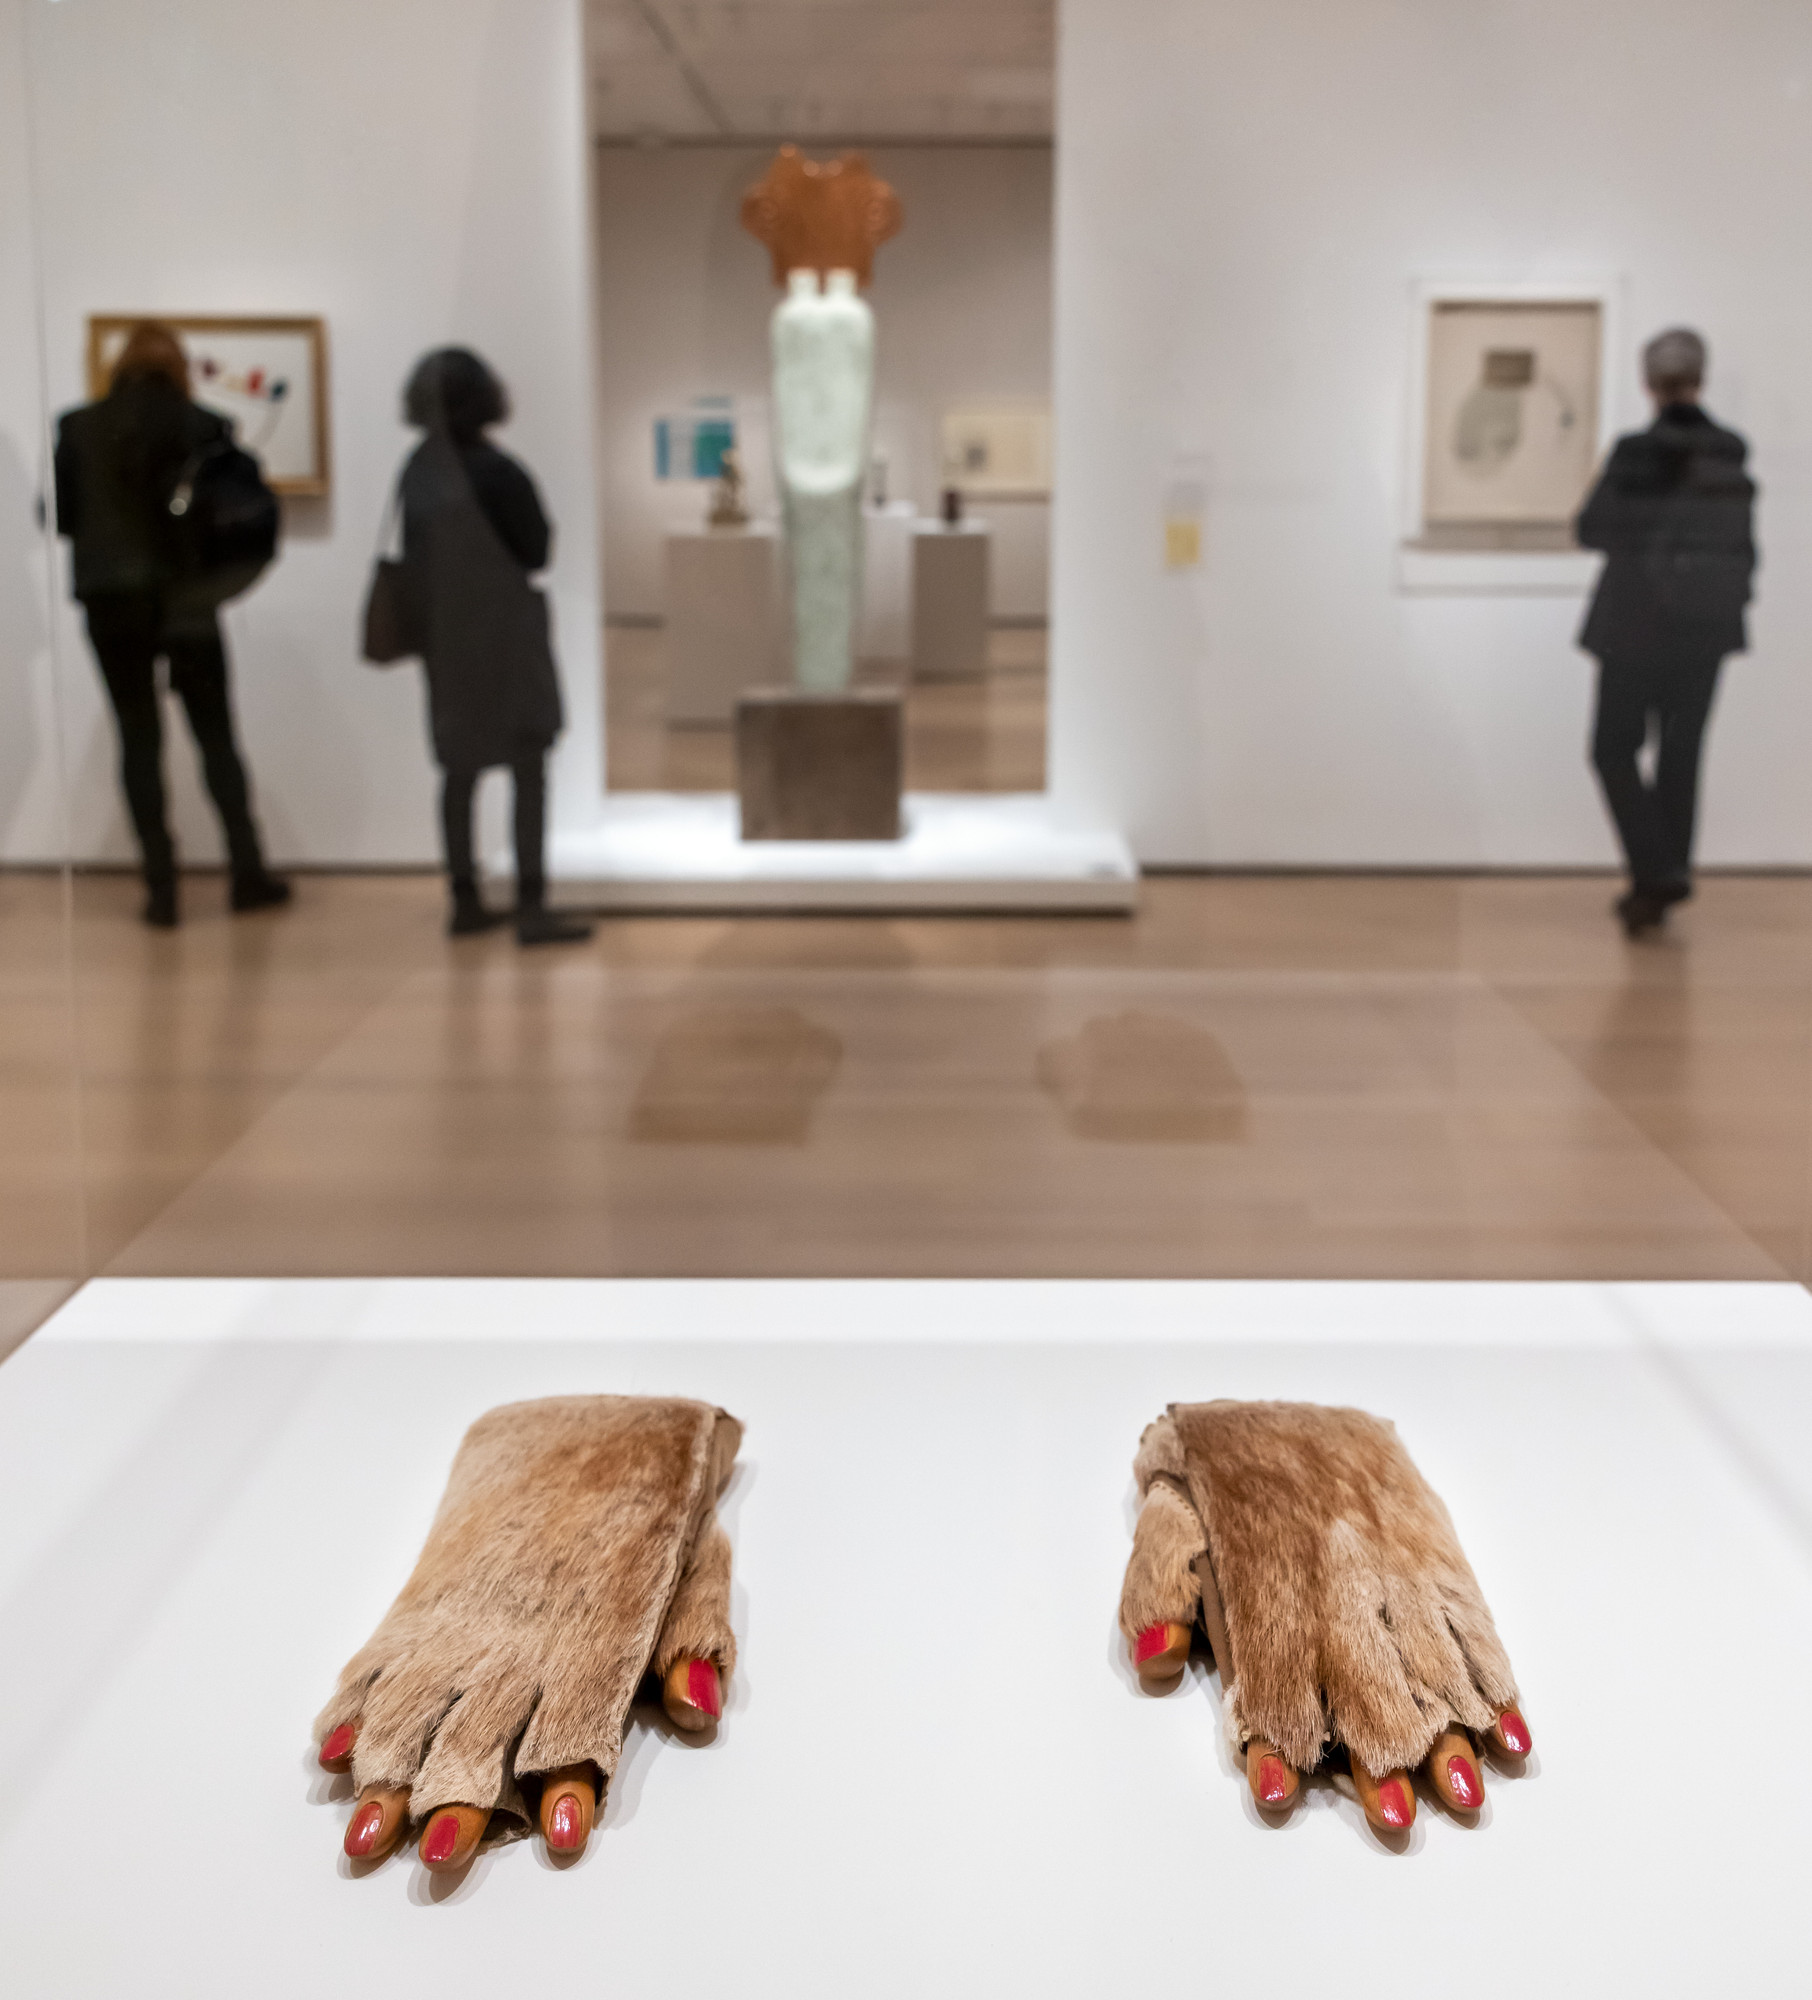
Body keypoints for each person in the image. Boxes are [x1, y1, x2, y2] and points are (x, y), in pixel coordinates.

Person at [55, 321, 290, 928]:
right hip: (187, 602)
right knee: (216, 738)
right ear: (178, 367)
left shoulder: (78, 428)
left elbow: (61, 516)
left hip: (111, 602)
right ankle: (247, 872)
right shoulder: (204, 425)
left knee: (138, 740)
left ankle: (161, 889)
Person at [395, 348, 591, 945]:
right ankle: (532, 905)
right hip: (505, 633)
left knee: (458, 770)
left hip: (447, 637)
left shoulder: (418, 471)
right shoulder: (499, 471)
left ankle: (464, 899)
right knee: (528, 766)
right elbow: (536, 550)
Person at [1575, 328, 1756, 938]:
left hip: (1634, 625)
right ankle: (1660, 883)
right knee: (1681, 754)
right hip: (1705, 629)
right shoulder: (1730, 451)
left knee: (1612, 748)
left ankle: (1656, 874)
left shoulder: (1635, 453)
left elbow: (1591, 529)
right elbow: (1742, 544)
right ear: (1701, 378)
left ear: (1647, 383)